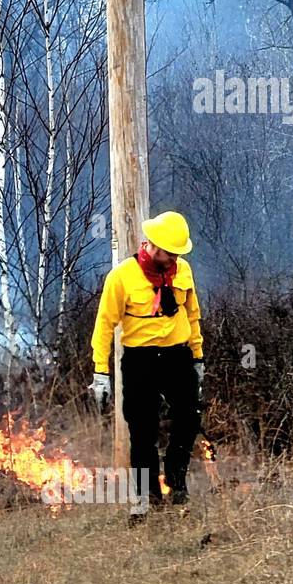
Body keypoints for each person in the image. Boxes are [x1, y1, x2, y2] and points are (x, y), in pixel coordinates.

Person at [90, 212, 205, 510]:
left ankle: (177, 480)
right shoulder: (122, 276)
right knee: (142, 431)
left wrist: (198, 358)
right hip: (141, 361)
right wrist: (101, 373)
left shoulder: (183, 271)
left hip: (178, 356)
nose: (175, 259)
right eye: (171, 253)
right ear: (153, 247)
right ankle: (146, 499)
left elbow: (192, 315)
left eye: (179, 254)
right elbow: (104, 325)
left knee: (189, 418)